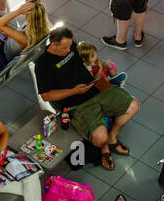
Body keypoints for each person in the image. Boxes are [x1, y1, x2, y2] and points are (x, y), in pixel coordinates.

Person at [34, 28, 140, 170]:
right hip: (75, 102)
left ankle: (112, 137)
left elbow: (87, 58)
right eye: (64, 47)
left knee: (133, 105)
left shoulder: (71, 45)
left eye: (70, 46)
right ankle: (105, 147)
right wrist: (74, 91)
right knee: (99, 138)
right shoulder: (43, 64)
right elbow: (46, 95)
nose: (69, 50)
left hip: (96, 85)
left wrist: (99, 68)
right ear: (53, 44)